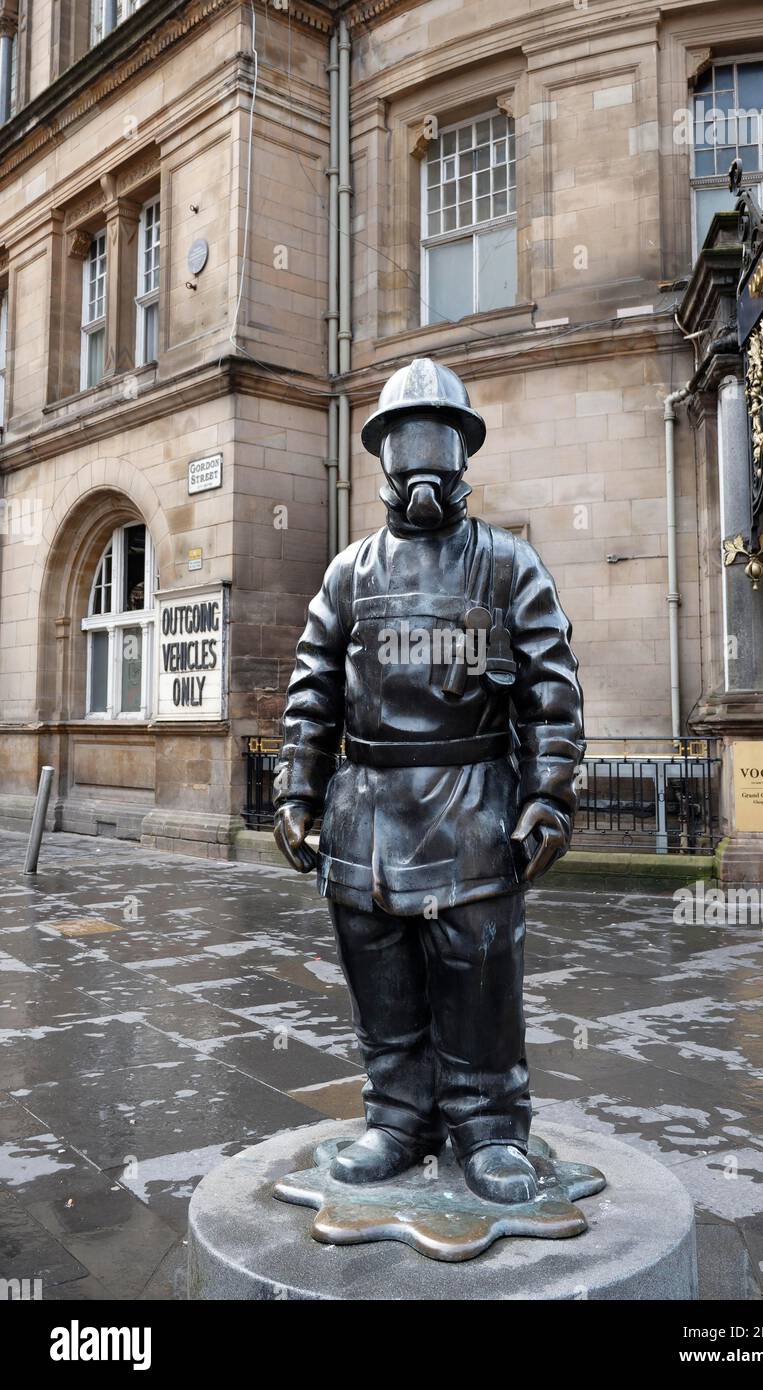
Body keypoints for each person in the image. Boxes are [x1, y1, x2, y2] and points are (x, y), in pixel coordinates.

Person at [272, 358, 585, 1204]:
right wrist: (296, 793)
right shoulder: (348, 573)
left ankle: (487, 1126)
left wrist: (549, 796)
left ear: (462, 454)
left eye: (436, 444)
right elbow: (313, 693)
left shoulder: (509, 566)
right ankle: (398, 1118)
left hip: (473, 808)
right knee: (383, 983)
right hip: (366, 814)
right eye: (405, 445)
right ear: (381, 458)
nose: (422, 466)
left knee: (479, 979)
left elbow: (551, 692)